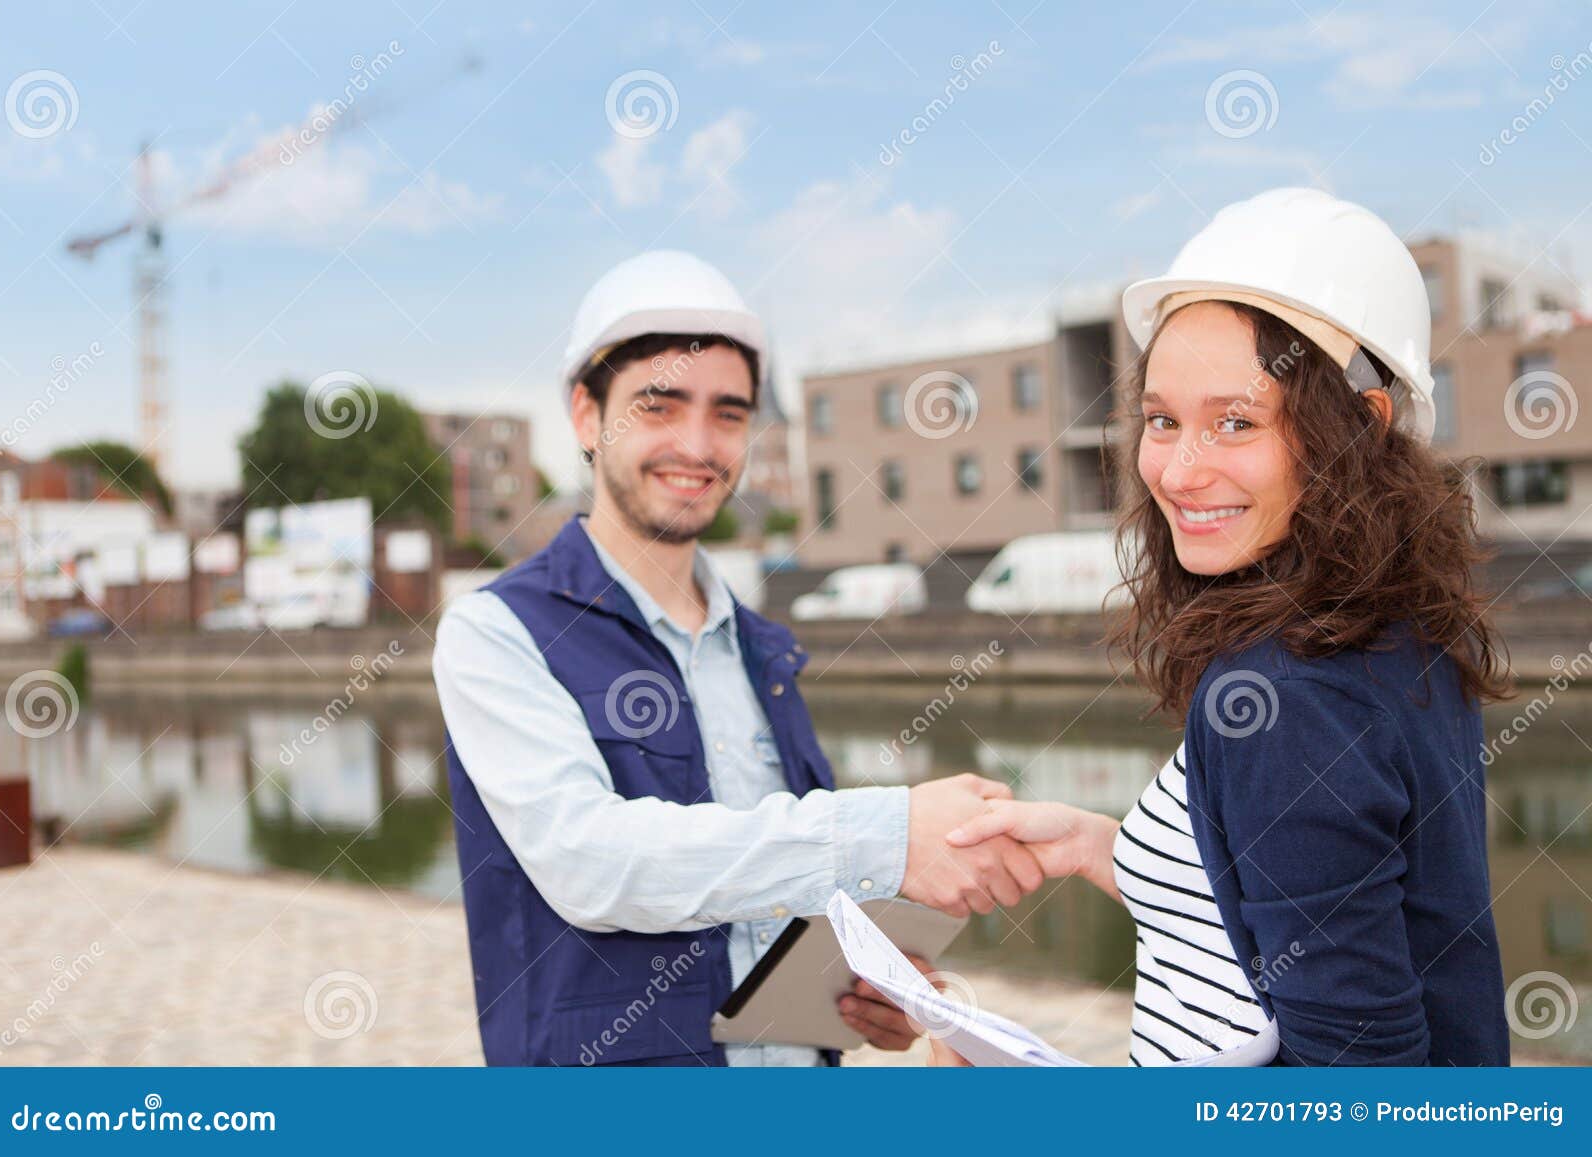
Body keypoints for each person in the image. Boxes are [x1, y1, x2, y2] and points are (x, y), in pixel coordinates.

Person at [942, 188, 1512, 1066]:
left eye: (1235, 422)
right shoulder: (1402, 637)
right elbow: (1314, 901)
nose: (1177, 468)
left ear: (1358, 431)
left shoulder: (1286, 698)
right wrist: (1113, 847)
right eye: (1164, 419)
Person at [434, 250, 1044, 1066]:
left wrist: (862, 982)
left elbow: (770, 881)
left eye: (728, 413)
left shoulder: (764, 648)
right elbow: (592, 862)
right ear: (586, 415)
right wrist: (890, 833)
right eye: (660, 405)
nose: (698, 443)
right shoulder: (495, 633)